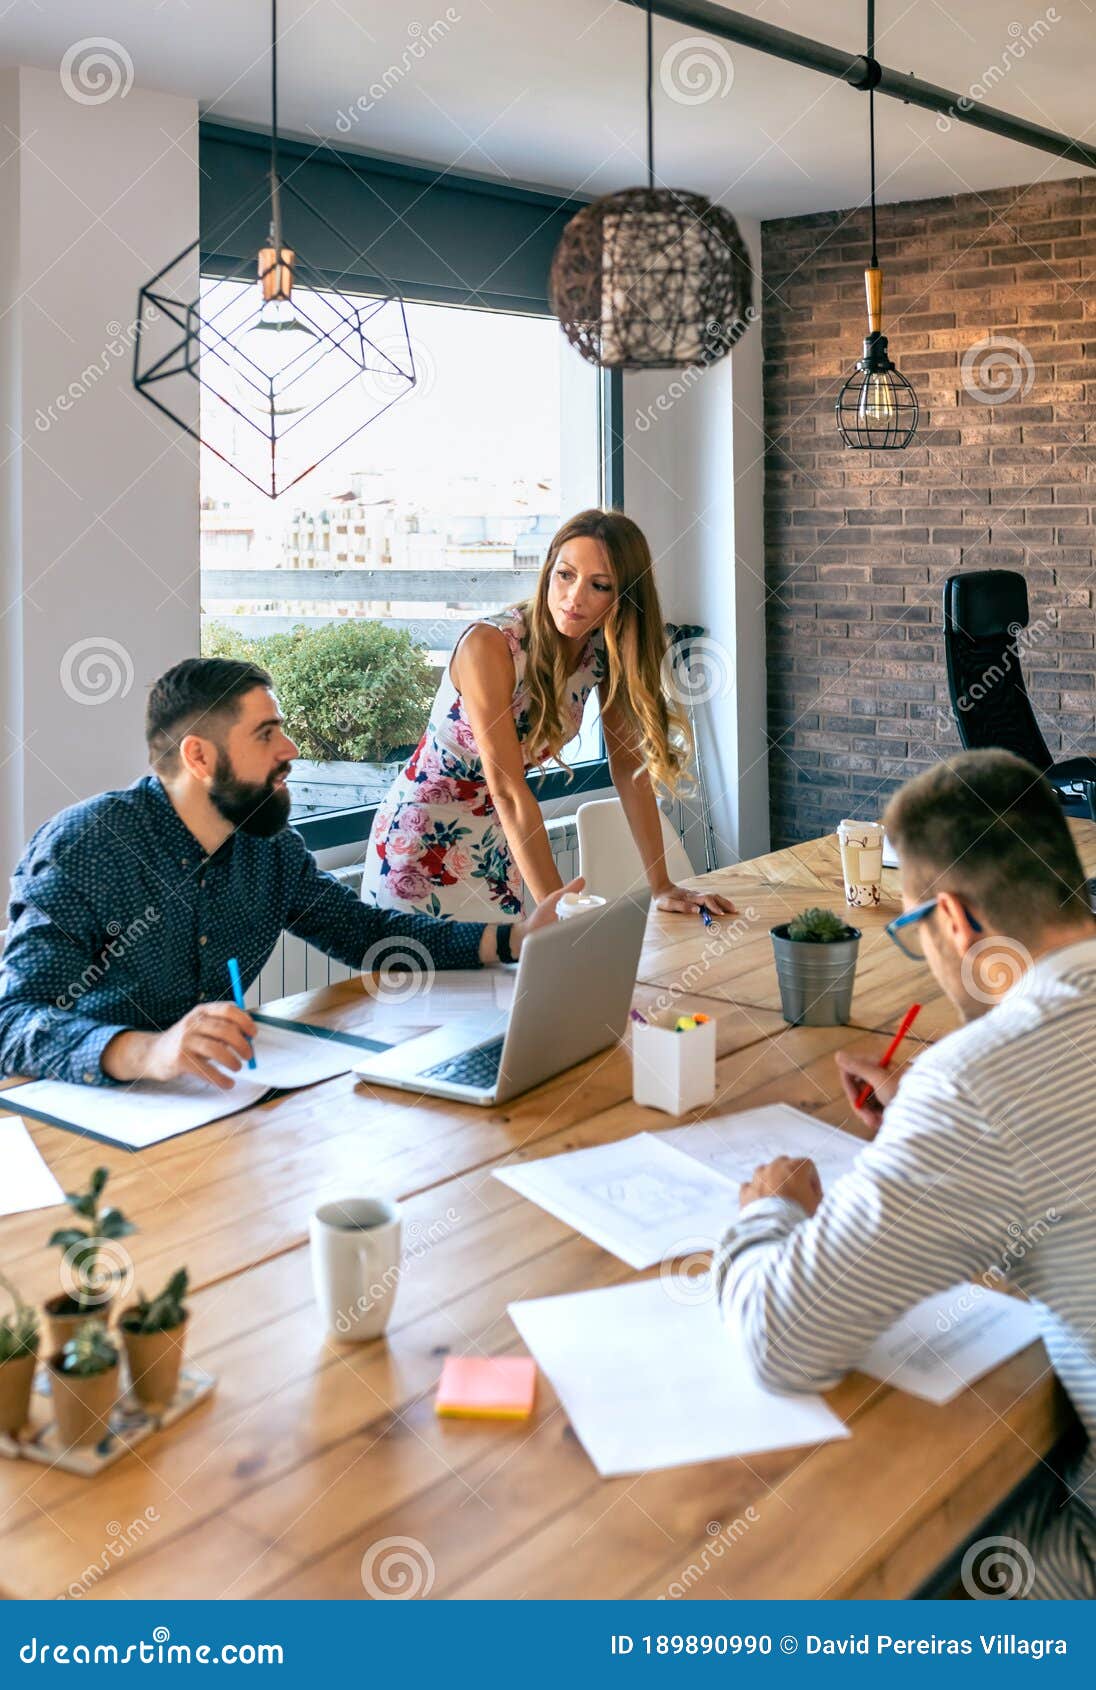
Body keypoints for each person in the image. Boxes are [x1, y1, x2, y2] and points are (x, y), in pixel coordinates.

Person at [715, 749, 1096, 1599]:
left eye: (915, 934)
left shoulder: (984, 1079)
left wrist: (771, 1214)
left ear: (953, 922)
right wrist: (938, 1135)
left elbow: (784, 1340)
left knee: (847, 1564)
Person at [0, 659, 576, 1092]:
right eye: (266, 733)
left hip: (218, 1106)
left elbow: (362, 932)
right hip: (86, 1119)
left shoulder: (266, 846)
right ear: (199, 758)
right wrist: (147, 1051)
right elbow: (14, 1023)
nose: (291, 748)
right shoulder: (86, 848)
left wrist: (511, 939)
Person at [360, 508, 737, 921]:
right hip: (419, 845)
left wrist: (661, 884)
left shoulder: (602, 653)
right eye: (565, 575)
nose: (574, 598)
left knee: (513, 985)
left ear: (624, 597)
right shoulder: (490, 645)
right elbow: (506, 789)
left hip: (496, 849)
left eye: (599, 585)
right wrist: (558, 912)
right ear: (548, 571)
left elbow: (629, 766)